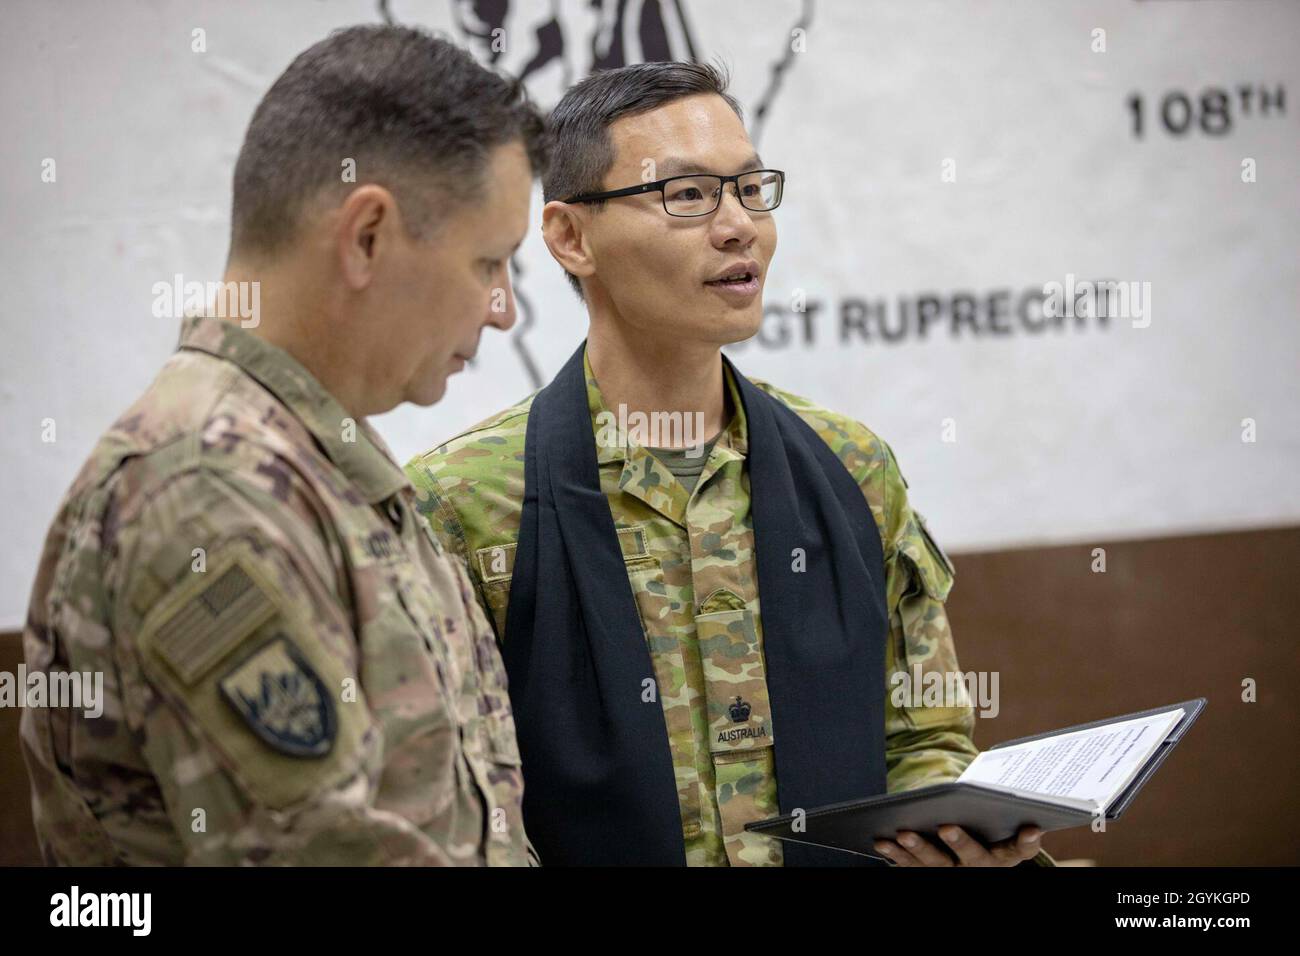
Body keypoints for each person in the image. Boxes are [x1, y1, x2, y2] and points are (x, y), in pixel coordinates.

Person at [407, 61, 1053, 867]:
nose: (738, 224)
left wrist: (950, 834)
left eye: (751, 189)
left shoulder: (850, 467)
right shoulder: (462, 501)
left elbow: (922, 735)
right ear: (573, 238)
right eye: (686, 196)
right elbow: (460, 809)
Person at [20, 24, 548, 865]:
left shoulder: (311, 465)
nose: (503, 309)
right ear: (367, 235)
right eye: (491, 262)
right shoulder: (206, 487)